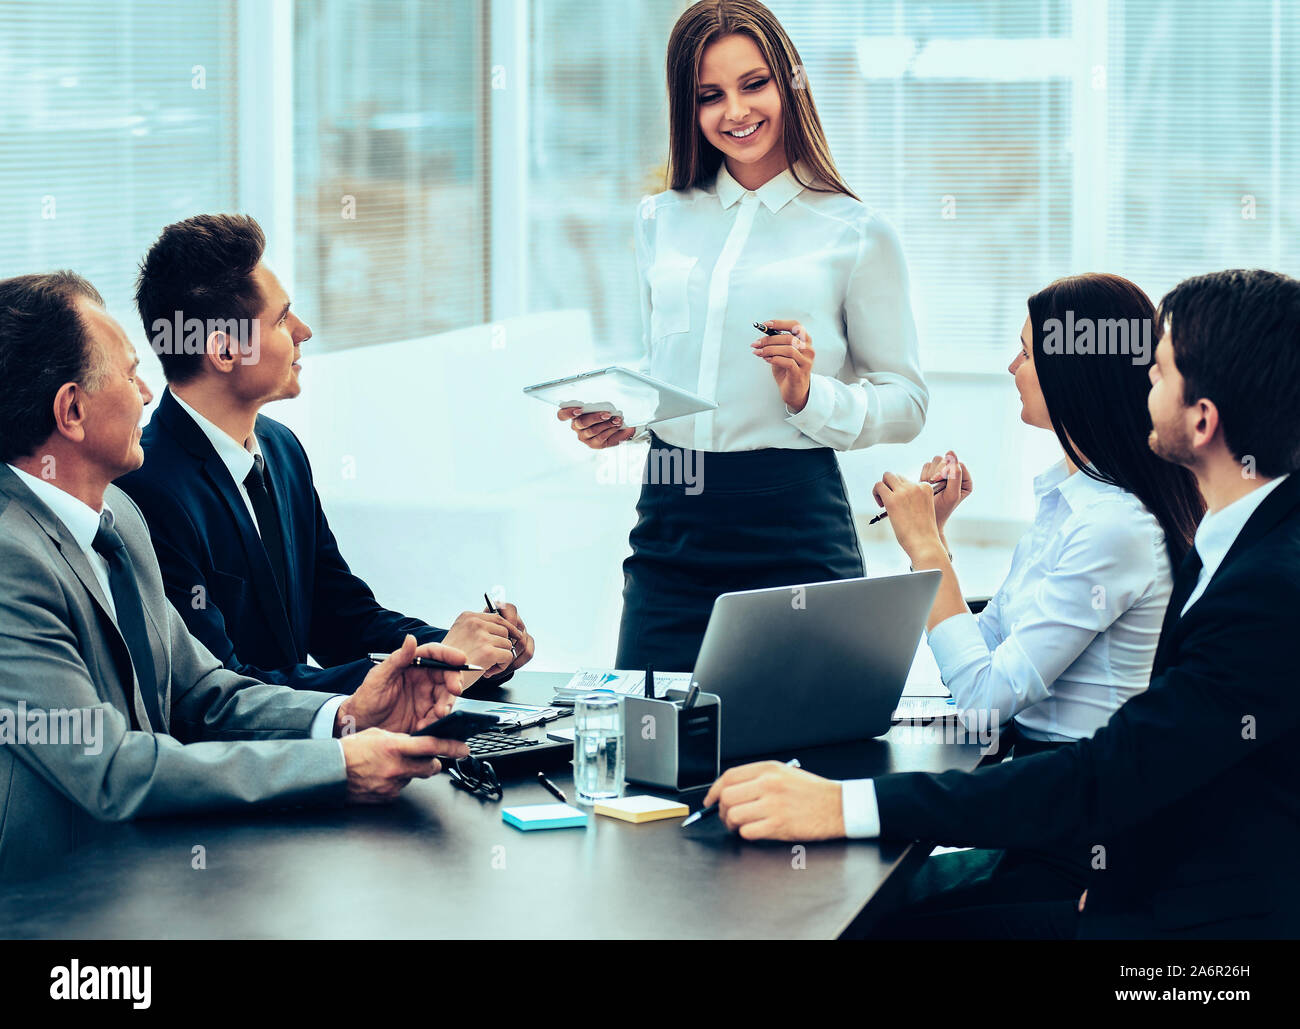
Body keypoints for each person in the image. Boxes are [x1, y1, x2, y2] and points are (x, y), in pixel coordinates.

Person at [702, 268, 1300, 939]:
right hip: (1123, 867)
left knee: (859, 921)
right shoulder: (1233, 543)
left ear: (1203, 418)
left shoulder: (1261, 587)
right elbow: (1159, 762)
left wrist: (843, 805)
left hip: (1178, 922)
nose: (1143, 383)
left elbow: (1107, 771)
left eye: (1157, 373)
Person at [0, 272, 471, 881]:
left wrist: (347, 715)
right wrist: (337, 766)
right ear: (72, 410)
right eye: (128, 373)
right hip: (54, 900)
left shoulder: (122, 522)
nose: (146, 393)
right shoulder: (12, 561)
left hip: (155, 869)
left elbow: (201, 694)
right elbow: (110, 769)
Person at [558, 0, 927, 672]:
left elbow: (907, 399)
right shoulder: (659, 219)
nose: (735, 111)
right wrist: (630, 416)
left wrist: (812, 396)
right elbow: (675, 364)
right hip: (671, 515)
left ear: (788, 83)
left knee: (807, 753)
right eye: (710, 95)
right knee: (655, 740)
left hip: (790, 514)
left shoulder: (856, 231)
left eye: (753, 84)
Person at [861, 275, 1206, 916]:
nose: (1011, 367)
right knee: (866, 893)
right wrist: (936, 540)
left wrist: (926, 553)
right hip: (1037, 805)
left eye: (1025, 352)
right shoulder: (1070, 503)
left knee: (872, 912)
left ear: (1070, 373)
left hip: (1072, 836)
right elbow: (991, 653)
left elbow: (987, 698)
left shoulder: (1112, 526)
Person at [117, 214, 534, 695]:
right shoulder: (143, 487)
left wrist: (468, 652)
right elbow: (224, 691)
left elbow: (340, 619)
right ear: (224, 352)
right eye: (280, 318)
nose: (304, 330)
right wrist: (435, 670)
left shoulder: (281, 448)